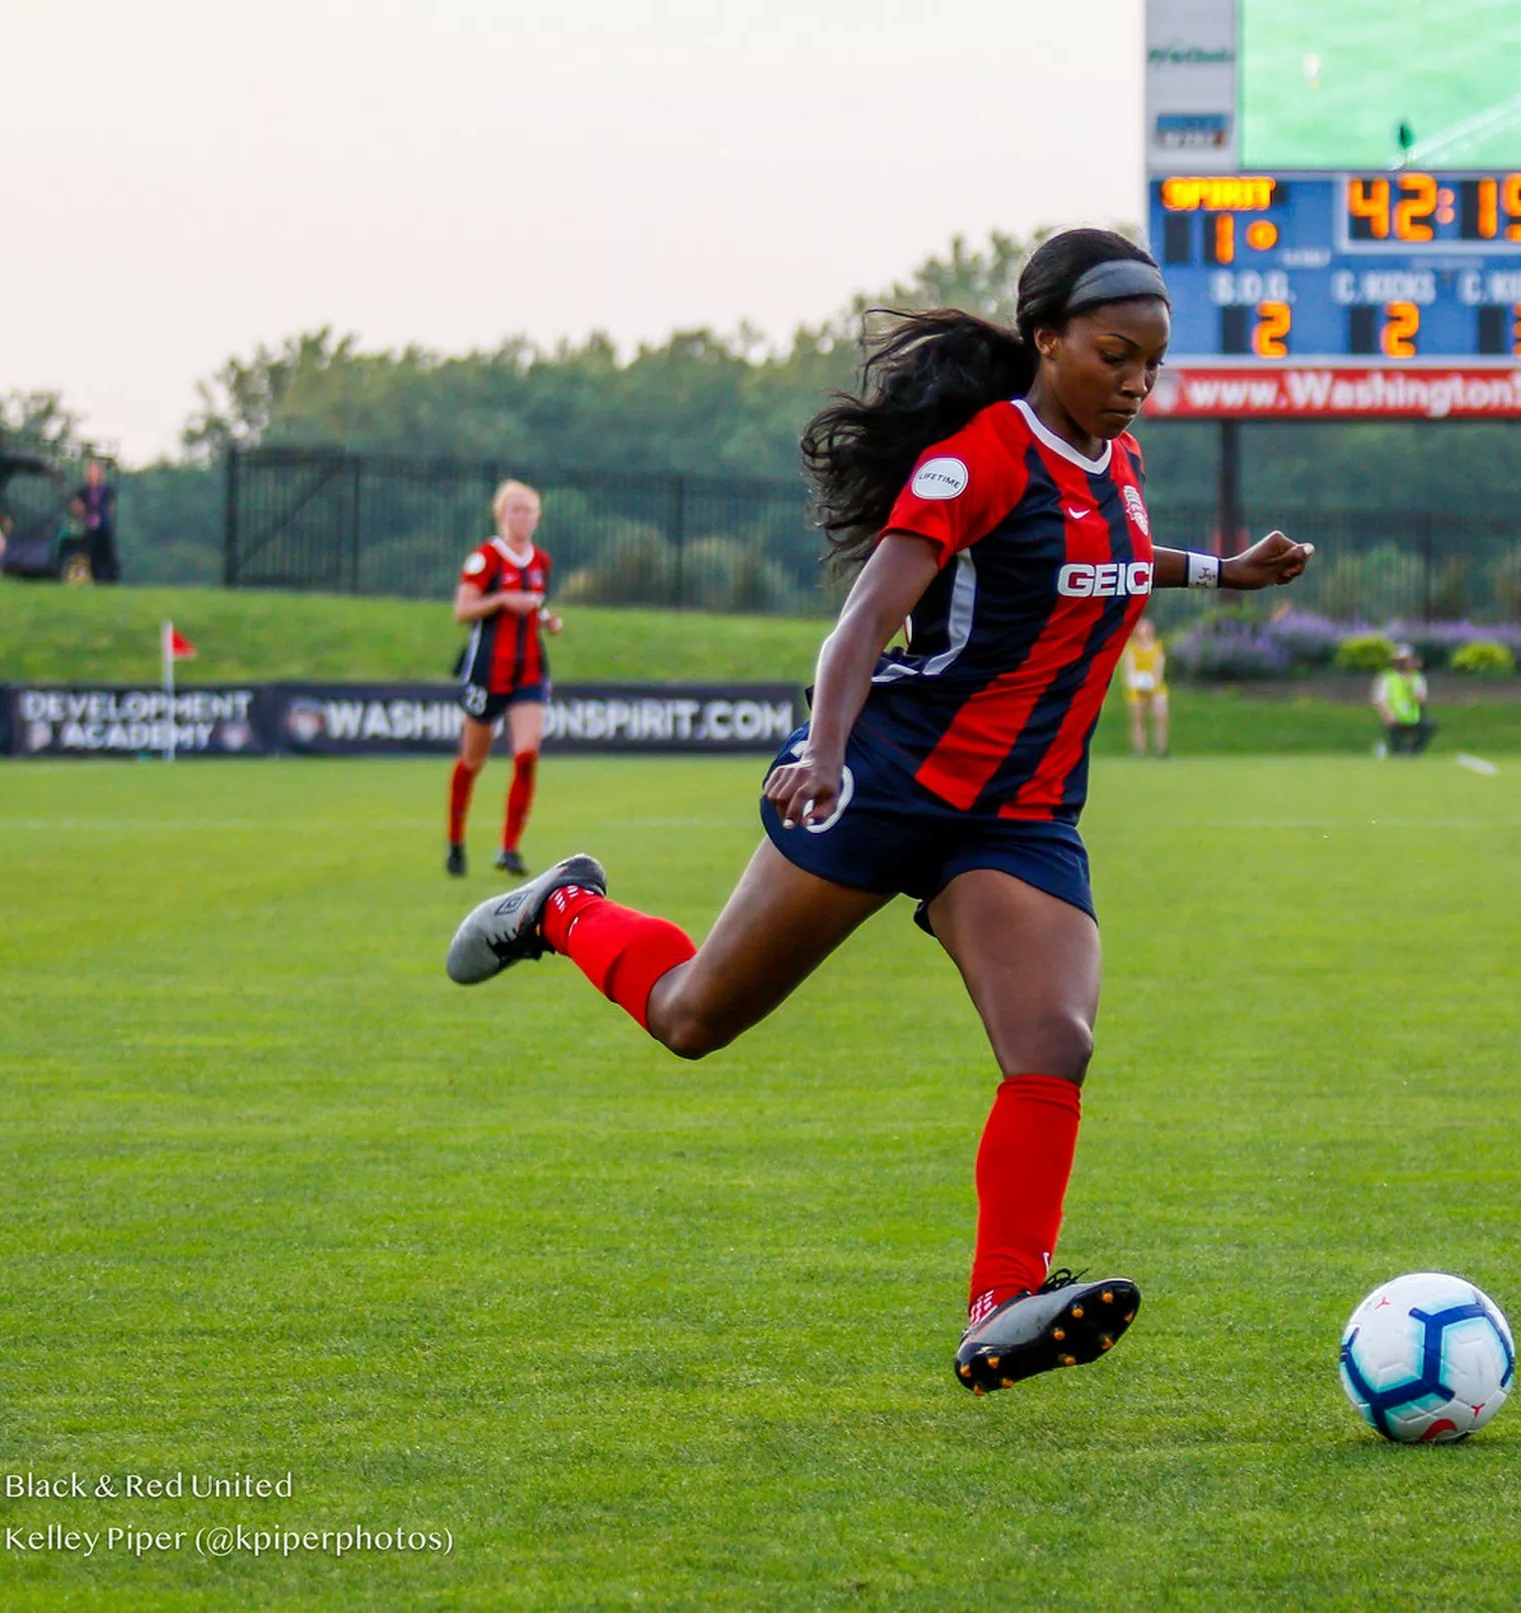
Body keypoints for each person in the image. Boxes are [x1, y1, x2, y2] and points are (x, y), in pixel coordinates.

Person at [441, 229, 1313, 1396]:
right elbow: (860, 620)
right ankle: (563, 912)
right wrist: (827, 749)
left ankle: (1000, 1300)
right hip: (886, 779)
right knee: (696, 1015)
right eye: (1116, 356)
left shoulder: (1117, 457)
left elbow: (1100, 558)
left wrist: (1221, 574)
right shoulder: (974, 460)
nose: (1136, 382)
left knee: (1052, 1040)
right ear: (1045, 340)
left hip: (1020, 815)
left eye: (1152, 364)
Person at [447, 480, 561, 878]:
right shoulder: (486, 558)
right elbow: (463, 611)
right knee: (473, 760)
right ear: (500, 514)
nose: (522, 517)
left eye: (528, 510)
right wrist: (500, 601)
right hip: (487, 671)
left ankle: (509, 848)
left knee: (527, 755)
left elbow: (537, 603)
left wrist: (547, 619)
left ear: (537, 516)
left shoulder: (540, 561)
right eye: (514, 510)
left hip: (528, 669)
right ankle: (456, 841)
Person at [1119, 617, 1170, 757]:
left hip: (1155, 687)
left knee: (1161, 716)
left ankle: (1161, 748)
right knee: (1138, 719)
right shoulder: (1131, 648)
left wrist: (1153, 684)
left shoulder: (1157, 647)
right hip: (1137, 687)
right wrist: (1134, 683)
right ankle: (1139, 750)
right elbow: (1129, 668)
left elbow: (1158, 667)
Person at [1372, 645, 1434, 755]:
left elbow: (1422, 699)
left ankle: (1413, 751)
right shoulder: (1387, 678)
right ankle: (1398, 752)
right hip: (1395, 717)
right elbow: (1379, 700)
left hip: (1413, 717)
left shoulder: (1417, 678)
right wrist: (1387, 714)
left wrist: (1417, 696)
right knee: (1394, 732)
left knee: (1429, 724)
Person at [73, 459, 119, 583]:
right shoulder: (83, 490)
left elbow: (111, 507)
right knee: (92, 555)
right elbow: (78, 506)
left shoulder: (107, 490)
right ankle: (97, 578)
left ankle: (110, 579)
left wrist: (102, 515)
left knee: (107, 554)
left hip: (103, 527)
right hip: (90, 527)